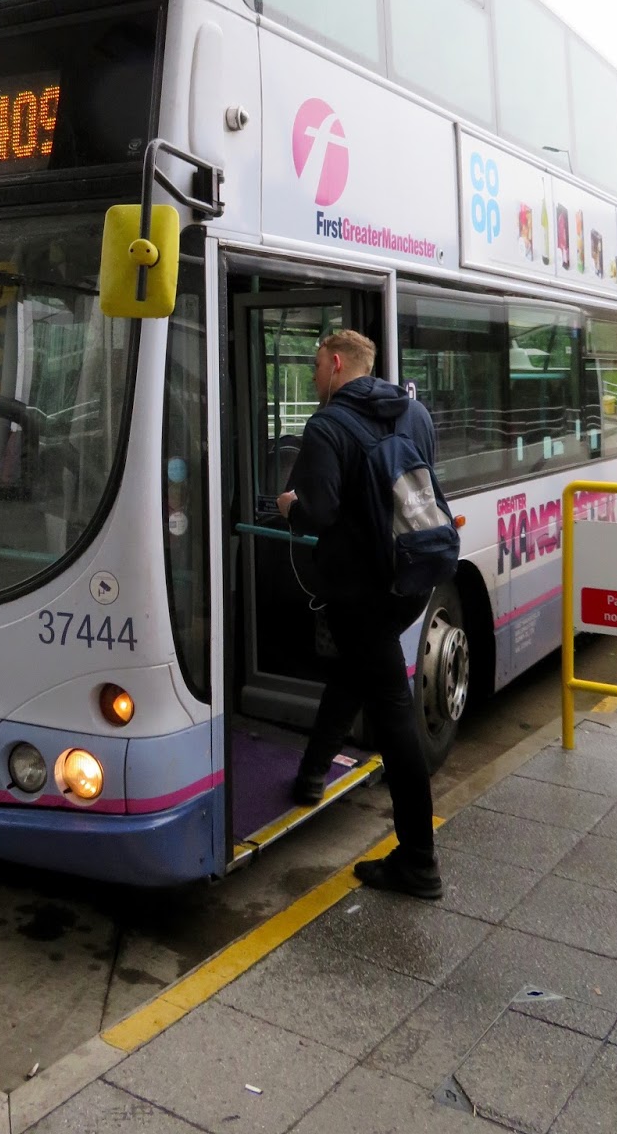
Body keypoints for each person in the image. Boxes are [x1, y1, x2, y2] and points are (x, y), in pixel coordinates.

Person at [276, 328, 443, 901]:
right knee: (357, 667)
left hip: (361, 590)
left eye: (317, 363)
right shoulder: (415, 413)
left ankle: (418, 861)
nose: (314, 374)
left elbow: (318, 514)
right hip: (411, 581)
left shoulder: (325, 426)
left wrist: (288, 507)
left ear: (338, 363)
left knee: (394, 715)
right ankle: (311, 773)